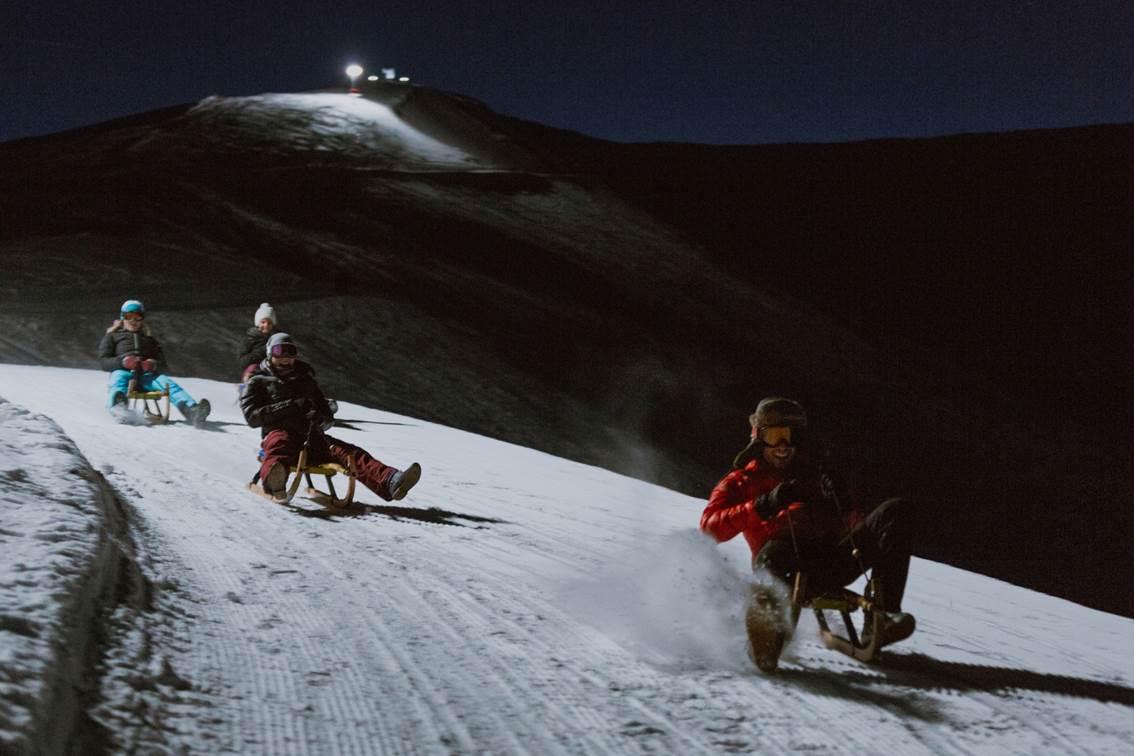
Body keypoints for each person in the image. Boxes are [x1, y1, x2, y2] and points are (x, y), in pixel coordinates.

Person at [700, 397, 914, 663]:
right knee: (775, 554)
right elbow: (710, 527)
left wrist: (842, 503)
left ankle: (883, 619)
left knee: (896, 510)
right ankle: (768, 633)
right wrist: (762, 505)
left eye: (790, 437)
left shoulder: (814, 475)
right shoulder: (742, 481)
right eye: (775, 436)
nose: (783, 446)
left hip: (831, 560)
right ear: (759, 439)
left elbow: (850, 527)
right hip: (783, 565)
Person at [240, 332, 421, 501]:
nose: (286, 358)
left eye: (291, 352)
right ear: (270, 353)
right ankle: (275, 483)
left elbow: (326, 413)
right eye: (280, 352)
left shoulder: (306, 380)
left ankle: (391, 481)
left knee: (348, 453)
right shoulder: (258, 381)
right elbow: (252, 417)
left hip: (311, 437)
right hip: (279, 433)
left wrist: (320, 418)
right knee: (279, 445)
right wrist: (291, 406)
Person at [98, 299, 212, 426]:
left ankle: (191, 410)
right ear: (122, 317)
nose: (133, 321)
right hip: (125, 373)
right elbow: (104, 361)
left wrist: (153, 364)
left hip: (147, 377)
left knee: (166, 382)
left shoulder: (149, 339)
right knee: (118, 378)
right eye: (129, 316)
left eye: (138, 316)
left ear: (142, 318)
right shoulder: (112, 336)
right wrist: (123, 362)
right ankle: (118, 407)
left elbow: (163, 364)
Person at [238, 302, 280, 384]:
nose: (266, 325)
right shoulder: (249, 339)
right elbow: (243, 362)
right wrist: (263, 350)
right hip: (255, 374)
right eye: (263, 322)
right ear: (258, 323)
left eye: (269, 323)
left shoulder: (278, 338)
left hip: (275, 373)